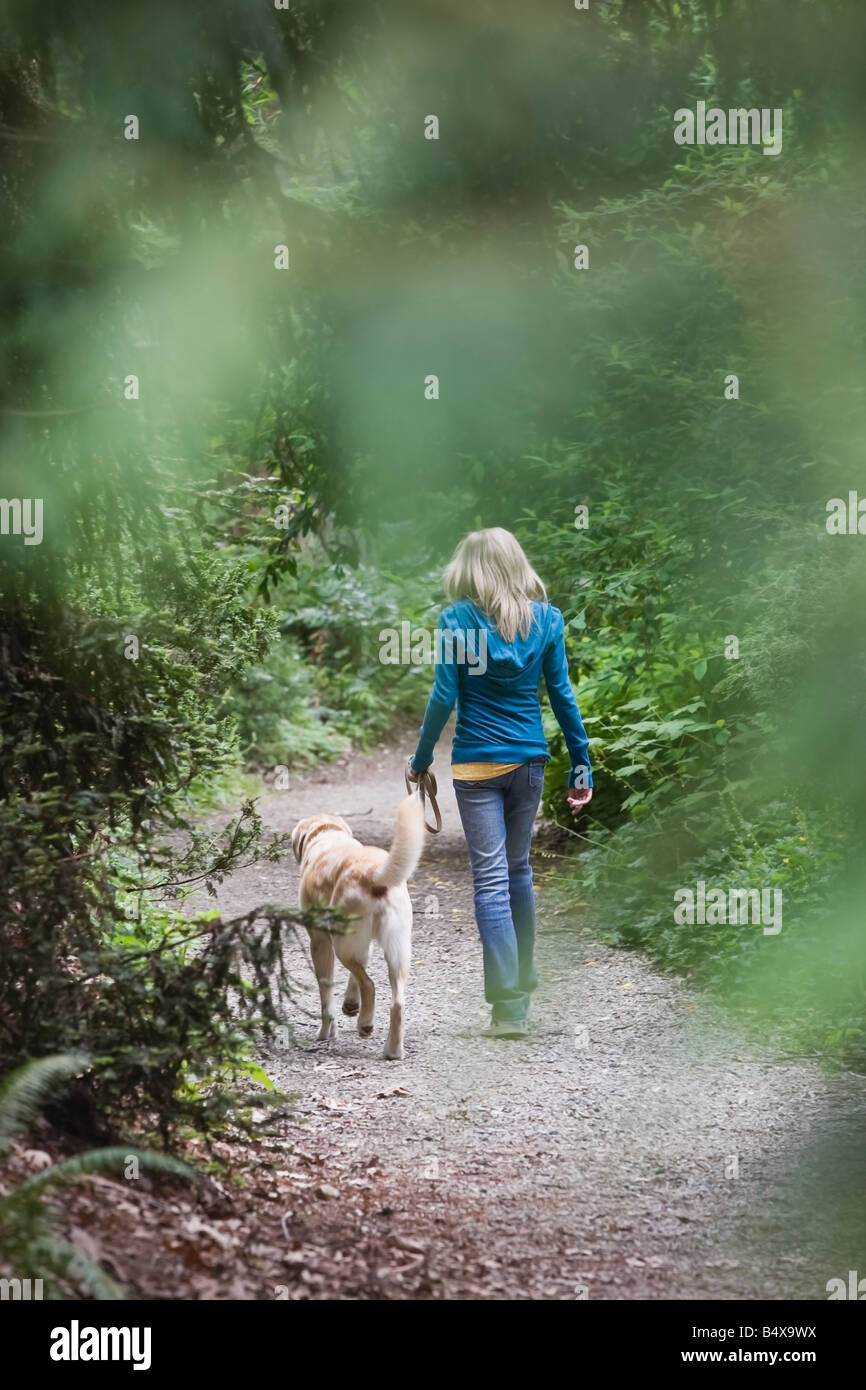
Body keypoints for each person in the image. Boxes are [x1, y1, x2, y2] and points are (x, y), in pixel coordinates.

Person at [408, 527, 593, 1038]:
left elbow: (444, 697)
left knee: (491, 881)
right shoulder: (548, 620)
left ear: (468, 568)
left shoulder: (457, 621)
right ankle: (522, 982)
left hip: (476, 767)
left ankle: (509, 1007)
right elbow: (563, 696)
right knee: (519, 872)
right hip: (529, 762)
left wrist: (421, 760)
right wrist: (582, 765)